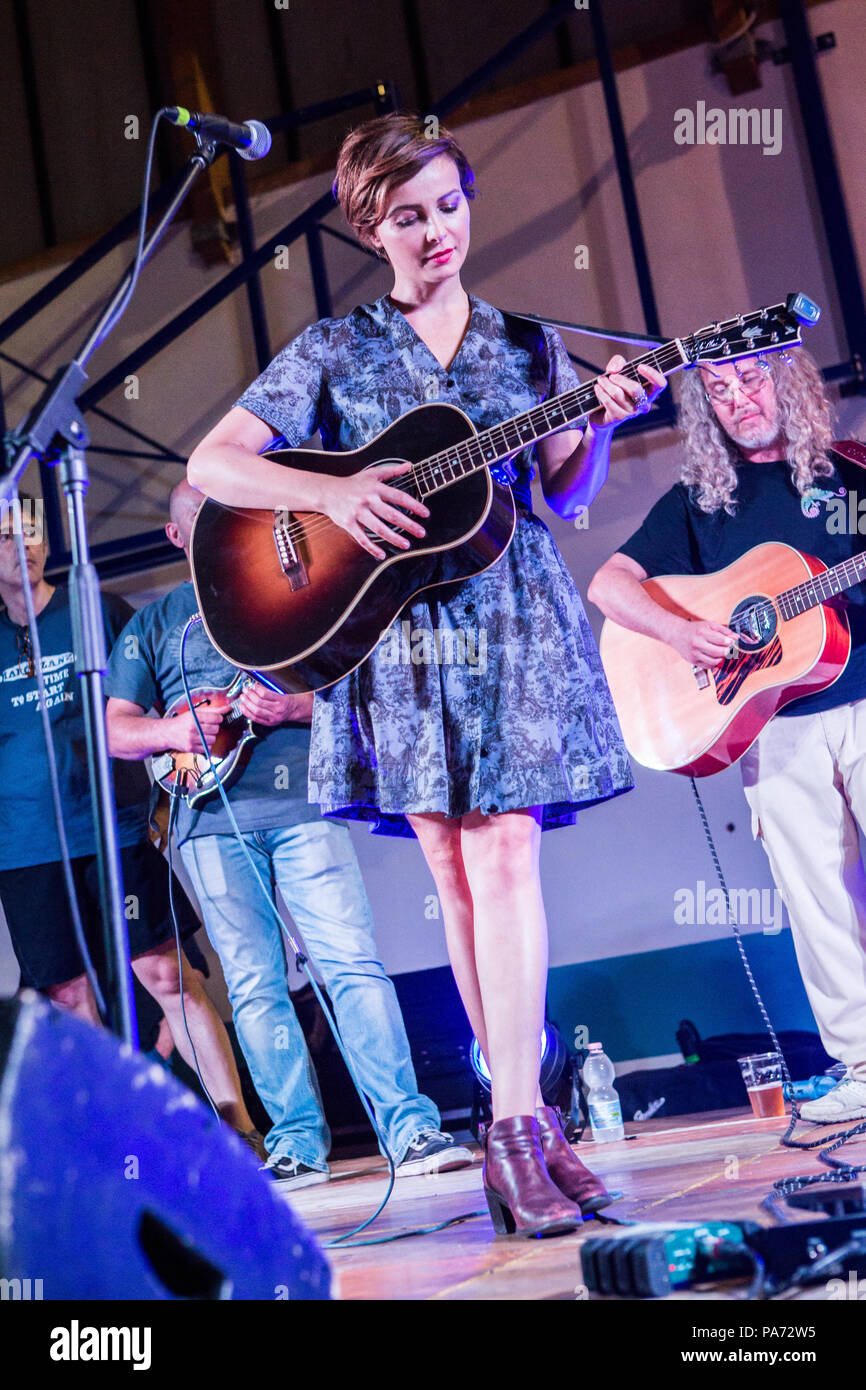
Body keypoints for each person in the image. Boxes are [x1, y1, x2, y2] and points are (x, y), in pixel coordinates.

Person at [185, 112, 665, 1236]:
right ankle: (523, 1130)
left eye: (450, 205)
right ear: (371, 228)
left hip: (513, 629)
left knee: (503, 860)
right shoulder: (334, 353)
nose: (437, 230)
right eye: (410, 216)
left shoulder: (526, 343)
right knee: (452, 876)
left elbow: (564, 493)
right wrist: (335, 495)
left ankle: (512, 1120)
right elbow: (211, 464)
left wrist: (599, 422)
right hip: (394, 637)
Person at [105, 479, 468, 1189]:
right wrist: (176, 730)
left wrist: (295, 706)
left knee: (350, 964)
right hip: (207, 826)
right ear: (180, 540)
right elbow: (115, 728)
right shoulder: (153, 625)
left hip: (303, 805)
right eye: (204, 523)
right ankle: (298, 1141)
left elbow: (360, 685)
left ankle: (411, 1127)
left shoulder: (294, 591)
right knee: (252, 985)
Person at [588, 346, 866, 1123]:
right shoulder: (699, 501)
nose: (737, 397)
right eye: (718, 387)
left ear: (788, 382)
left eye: (750, 379)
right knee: (817, 904)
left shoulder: (848, 478)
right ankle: (863, 1066)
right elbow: (608, 585)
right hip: (772, 728)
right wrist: (680, 636)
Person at [0, 493, 260, 1152]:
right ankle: (115, 1146)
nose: (24, 543)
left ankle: (239, 1129)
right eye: (7, 536)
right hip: (25, 846)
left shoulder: (98, 609)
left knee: (169, 974)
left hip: (115, 828)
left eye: (30, 530)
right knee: (65, 995)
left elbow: (148, 704)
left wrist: (168, 793)